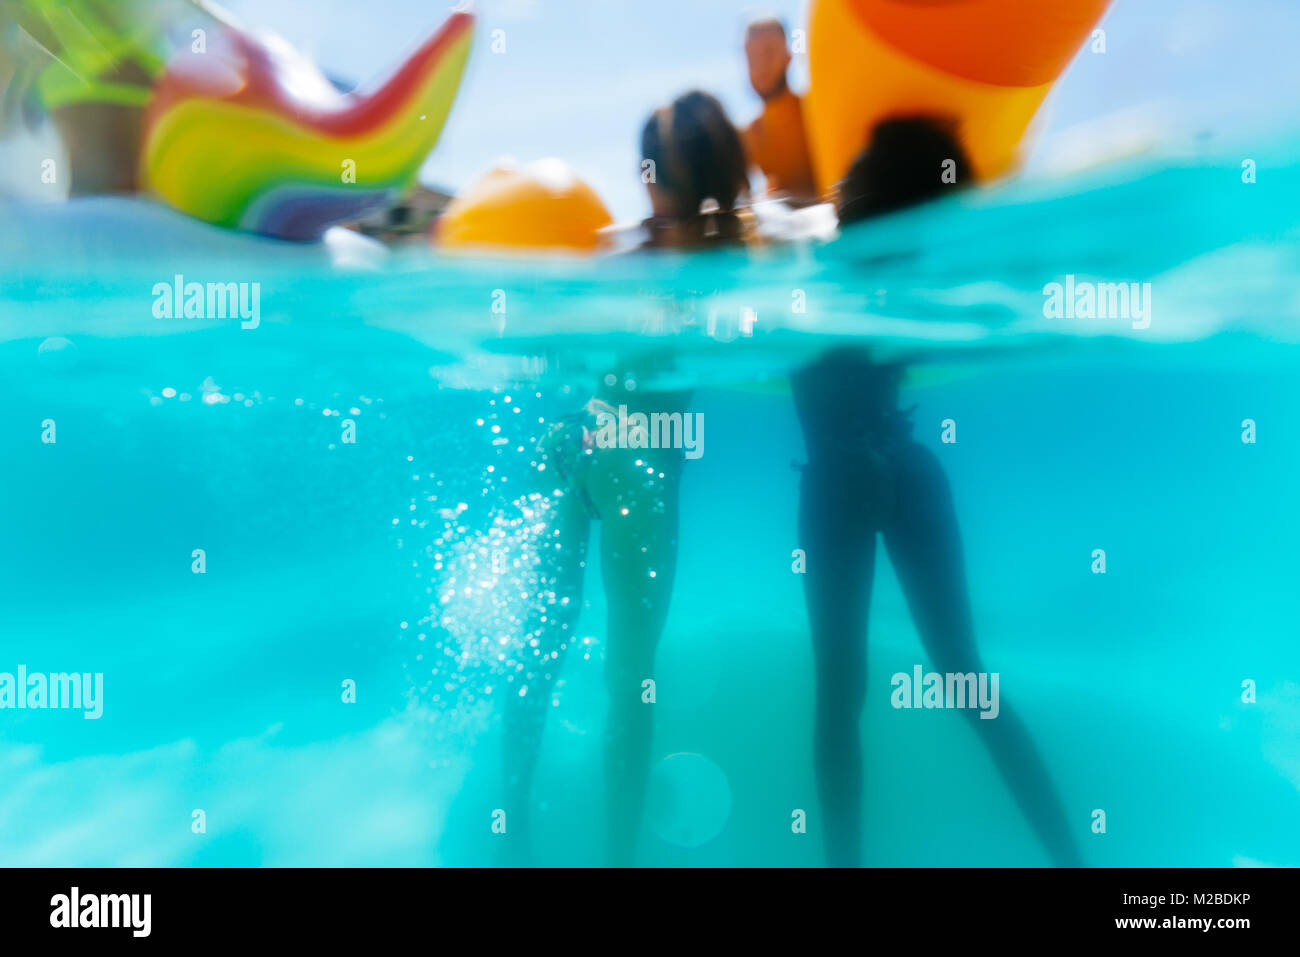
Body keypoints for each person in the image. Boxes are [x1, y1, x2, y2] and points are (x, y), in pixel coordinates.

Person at [794, 116, 1083, 867]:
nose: (844, 168)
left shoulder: (813, 262)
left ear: (861, 187)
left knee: (839, 698)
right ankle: (1074, 861)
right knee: (970, 686)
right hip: (908, 462)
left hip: (836, 476)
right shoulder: (917, 267)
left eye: (855, 163)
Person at [501, 90, 748, 866]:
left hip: (577, 441)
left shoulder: (614, 256)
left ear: (648, 178)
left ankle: (510, 834)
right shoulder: (731, 259)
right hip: (640, 468)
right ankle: (615, 858)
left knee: (536, 655)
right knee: (629, 687)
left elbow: (556, 342)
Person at [740, 17, 817, 205]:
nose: (760, 65)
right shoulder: (749, 135)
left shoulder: (814, 111)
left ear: (788, 56)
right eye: (752, 57)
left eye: (769, 51)